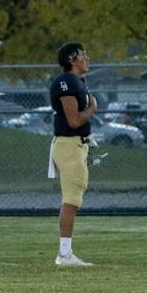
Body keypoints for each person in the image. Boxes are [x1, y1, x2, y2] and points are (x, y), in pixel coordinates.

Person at [48, 42, 96, 266]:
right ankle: (64, 253)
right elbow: (74, 119)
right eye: (82, 55)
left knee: (74, 199)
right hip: (68, 145)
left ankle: (66, 252)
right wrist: (91, 110)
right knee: (70, 200)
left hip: (77, 145)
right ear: (71, 59)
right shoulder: (65, 81)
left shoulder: (79, 82)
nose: (87, 58)